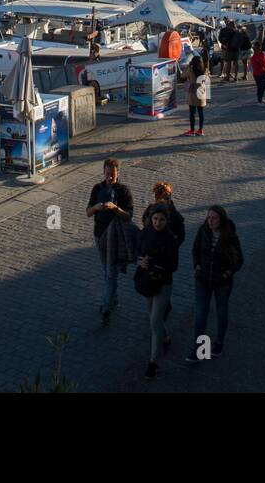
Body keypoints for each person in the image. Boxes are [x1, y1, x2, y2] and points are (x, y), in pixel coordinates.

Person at [186, 205, 243, 363]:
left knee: (221, 312)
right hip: (202, 279)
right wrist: (196, 265)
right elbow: (195, 249)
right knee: (200, 315)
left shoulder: (230, 236)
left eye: (214, 218)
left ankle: (219, 342)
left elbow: (239, 260)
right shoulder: (203, 230)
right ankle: (198, 349)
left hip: (221, 283)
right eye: (208, 217)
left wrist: (227, 273)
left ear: (221, 219)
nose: (210, 221)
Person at [86, 158, 135, 325]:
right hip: (100, 236)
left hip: (116, 238)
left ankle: (106, 307)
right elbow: (88, 212)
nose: (110, 178)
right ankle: (113, 300)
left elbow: (129, 216)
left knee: (110, 273)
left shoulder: (124, 191)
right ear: (103, 173)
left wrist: (115, 208)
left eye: (112, 175)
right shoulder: (97, 188)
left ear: (118, 173)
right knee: (108, 272)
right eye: (107, 174)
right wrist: (96, 207)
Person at [137, 207, 180, 380]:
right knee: (154, 317)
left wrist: (153, 263)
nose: (157, 222)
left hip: (163, 283)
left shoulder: (171, 240)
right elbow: (139, 250)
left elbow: (173, 266)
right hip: (148, 281)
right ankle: (167, 336)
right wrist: (142, 260)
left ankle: (153, 362)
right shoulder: (146, 232)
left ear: (166, 221)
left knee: (154, 322)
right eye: (155, 219)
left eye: (161, 219)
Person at [182, 55, 210, 136]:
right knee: (201, 112)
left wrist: (188, 66)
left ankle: (192, 130)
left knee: (192, 112)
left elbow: (183, 75)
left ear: (192, 62)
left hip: (193, 92)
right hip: (202, 92)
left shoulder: (190, 70)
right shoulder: (205, 70)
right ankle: (201, 130)